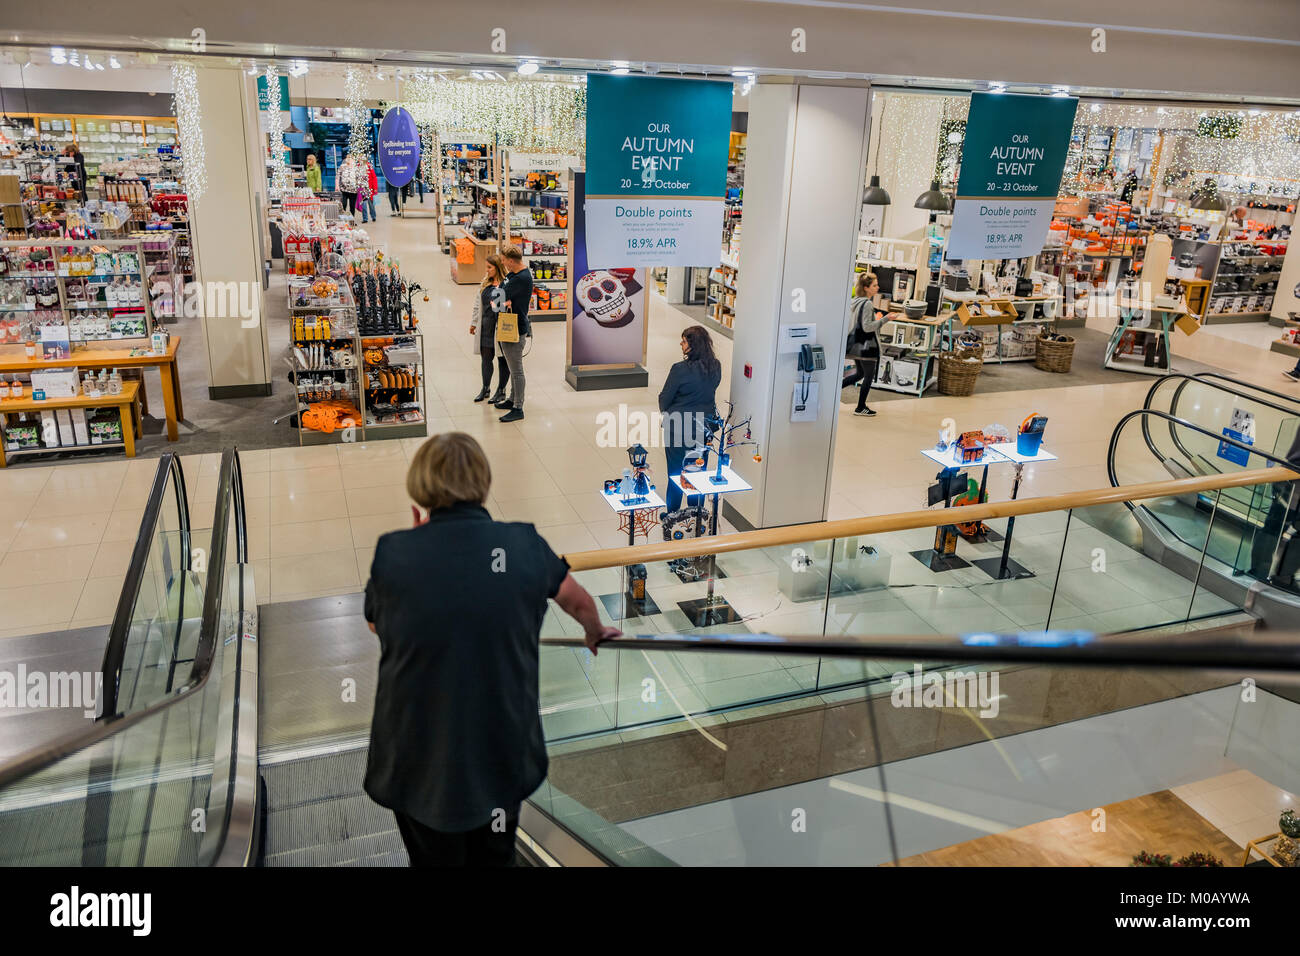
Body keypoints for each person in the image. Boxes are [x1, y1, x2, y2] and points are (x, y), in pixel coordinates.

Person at [363, 432, 620, 867]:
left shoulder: (395, 553)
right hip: (499, 754)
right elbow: (579, 601)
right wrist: (593, 632)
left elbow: (376, 622)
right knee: (495, 857)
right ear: (482, 481)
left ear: (421, 484)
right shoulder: (522, 546)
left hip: (414, 761)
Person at [659, 325, 722, 514]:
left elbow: (664, 399)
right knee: (696, 472)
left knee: (676, 472)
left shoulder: (679, 369)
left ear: (692, 345)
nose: (681, 343)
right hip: (704, 429)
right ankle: (695, 515)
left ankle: (673, 515)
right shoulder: (715, 366)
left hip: (678, 428)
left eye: (684, 341)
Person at [1248, 428, 1300, 589]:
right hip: (1293, 481)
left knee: (1274, 527)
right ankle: (1272, 575)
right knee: (1275, 528)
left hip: (1289, 477)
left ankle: (1264, 572)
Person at [841, 272, 896, 417]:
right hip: (867, 347)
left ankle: (832, 393)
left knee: (859, 373)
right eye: (874, 285)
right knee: (868, 376)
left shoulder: (855, 300)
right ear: (866, 288)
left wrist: (875, 317)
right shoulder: (867, 304)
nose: (878, 287)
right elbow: (867, 327)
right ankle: (860, 407)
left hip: (856, 345)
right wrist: (885, 318)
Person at [494, 245, 533, 423]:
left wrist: (502, 298)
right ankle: (511, 399)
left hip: (515, 328)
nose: (503, 264)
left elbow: (497, 297)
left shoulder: (521, 278)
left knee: (516, 370)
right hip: (509, 324)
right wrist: (502, 297)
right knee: (511, 366)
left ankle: (518, 407)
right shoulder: (514, 275)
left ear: (511, 260)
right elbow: (499, 293)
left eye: (504, 261)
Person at [471, 254, 510, 404]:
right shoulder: (485, 282)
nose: (486, 270)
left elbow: (505, 307)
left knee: (502, 359)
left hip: (501, 327)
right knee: (486, 358)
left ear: (498, 267)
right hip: (486, 326)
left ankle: (501, 391)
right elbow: (477, 304)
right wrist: (474, 323)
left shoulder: (506, 283)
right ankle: (485, 388)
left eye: (489, 267)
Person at [359, 159, 379, 223]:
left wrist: (375, 188)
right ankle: (365, 218)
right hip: (363, 190)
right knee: (364, 205)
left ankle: (373, 216)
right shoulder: (358, 167)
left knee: (371, 205)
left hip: (370, 189)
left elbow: (374, 178)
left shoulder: (369, 166)